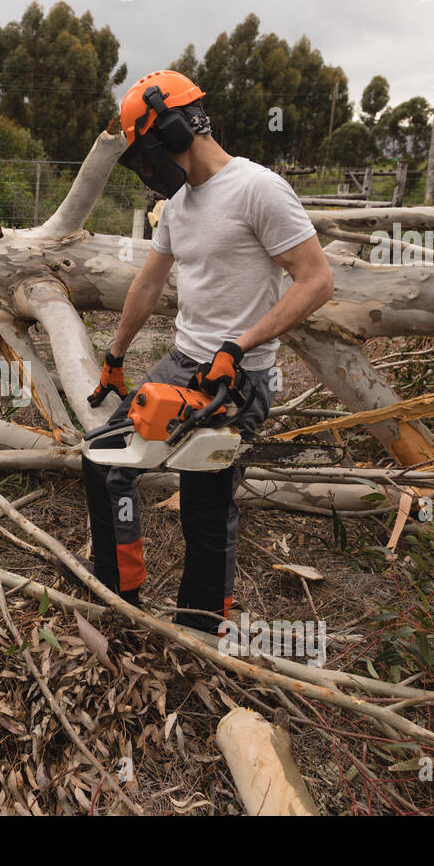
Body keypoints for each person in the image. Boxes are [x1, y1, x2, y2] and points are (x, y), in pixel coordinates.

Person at [83, 69, 334, 633]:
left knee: (205, 502)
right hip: (182, 364)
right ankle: (118, 600)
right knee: (102, 460)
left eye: (146, 151)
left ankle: (198, 627)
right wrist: (115, 356)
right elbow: (149, 284)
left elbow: (316, 281)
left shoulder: (258, 189)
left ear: (171, 131)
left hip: (237, 378)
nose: (146, 167)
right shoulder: (177, 205)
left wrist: (239, 345)